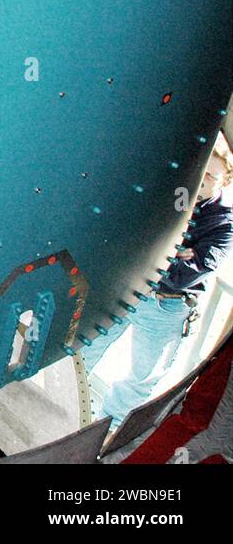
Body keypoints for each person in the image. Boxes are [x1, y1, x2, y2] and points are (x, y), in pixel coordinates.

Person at [79, 137, 233, 430]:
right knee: (86, 352)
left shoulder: (224, 223)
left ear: (225, 181)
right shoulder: (178, 191)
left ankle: (105, 433)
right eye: (202, 171)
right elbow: (142, 235)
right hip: (130, 291)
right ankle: (68, 411)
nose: (202, 180)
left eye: (211, 177)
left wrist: (160, 258)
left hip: (166, 307)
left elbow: (191, 272)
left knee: (142, 377)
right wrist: (176, 254)